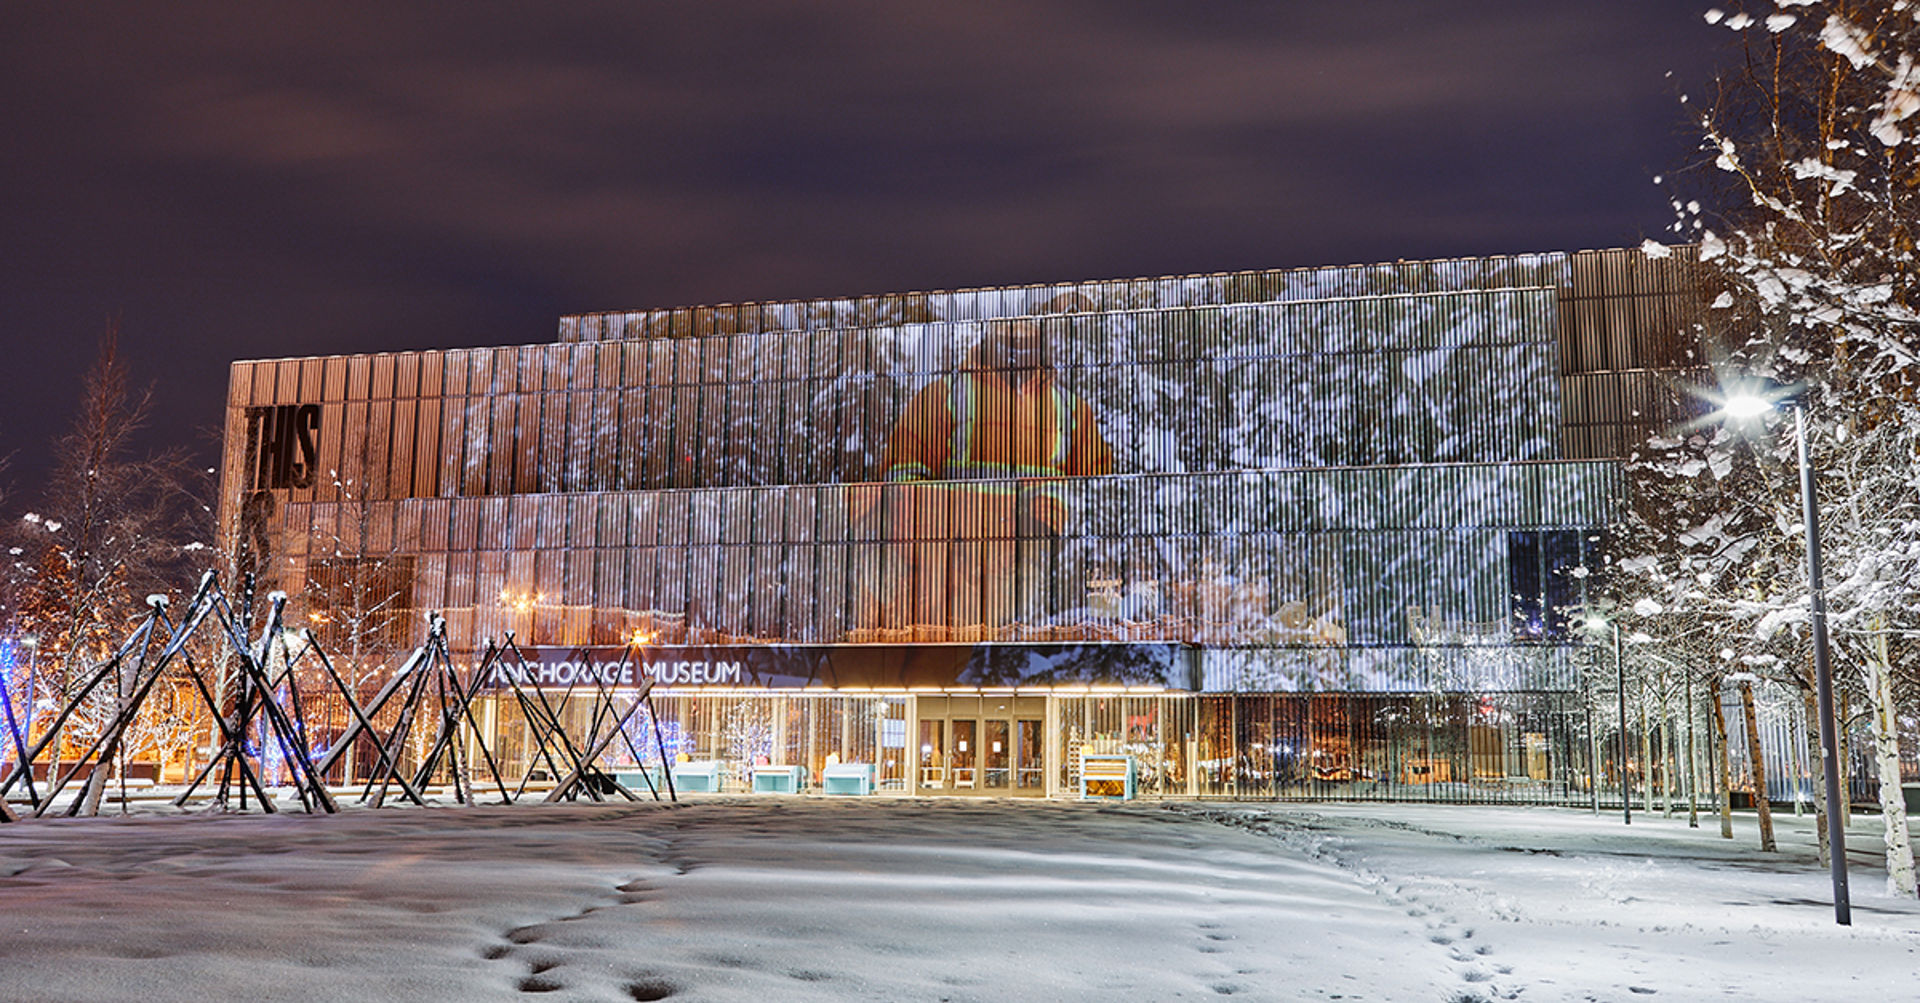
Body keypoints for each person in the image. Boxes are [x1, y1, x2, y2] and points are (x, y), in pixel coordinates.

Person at [864, 317, 1112, 635]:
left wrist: (1048, 518)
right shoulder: (945, 396)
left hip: (1029, 561)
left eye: (1024, 328)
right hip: (952, 560)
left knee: (1016, 655)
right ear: (990, 332)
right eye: (1007, 327)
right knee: (953, 655)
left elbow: (1099, 490)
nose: (1015, 335)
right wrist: (935, 534)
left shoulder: (1069, 409)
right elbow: (904, 474)